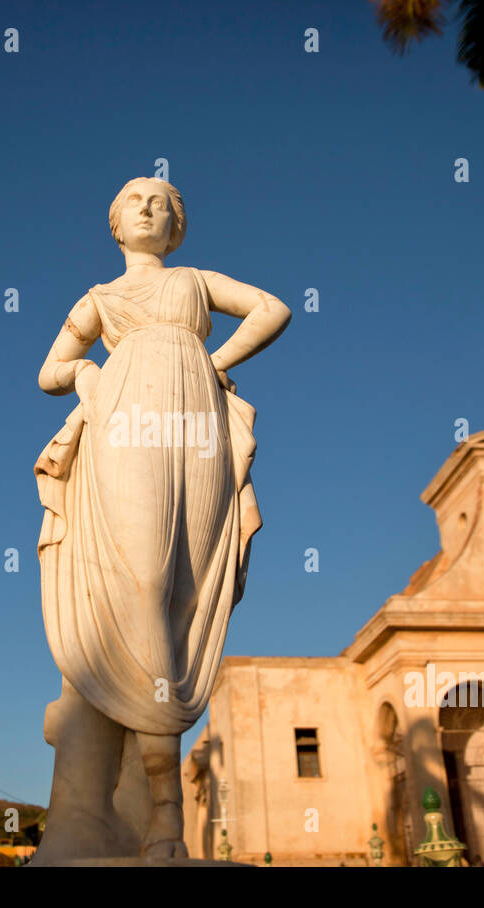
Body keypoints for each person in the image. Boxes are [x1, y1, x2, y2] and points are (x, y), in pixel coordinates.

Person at [32, 177, 290, 860]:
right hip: (122, 415)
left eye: (163, 202)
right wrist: (87, 376)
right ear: (115, 224)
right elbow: (49, 370)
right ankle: (165, 819)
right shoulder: (101, 299)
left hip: (195, 423)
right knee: (143, 581)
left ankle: (161, 822)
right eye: (134, 200)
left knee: (183, 589)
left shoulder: (197, 283)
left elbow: (271, 309)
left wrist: (213, 362)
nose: (149, 207)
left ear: (176, 226)